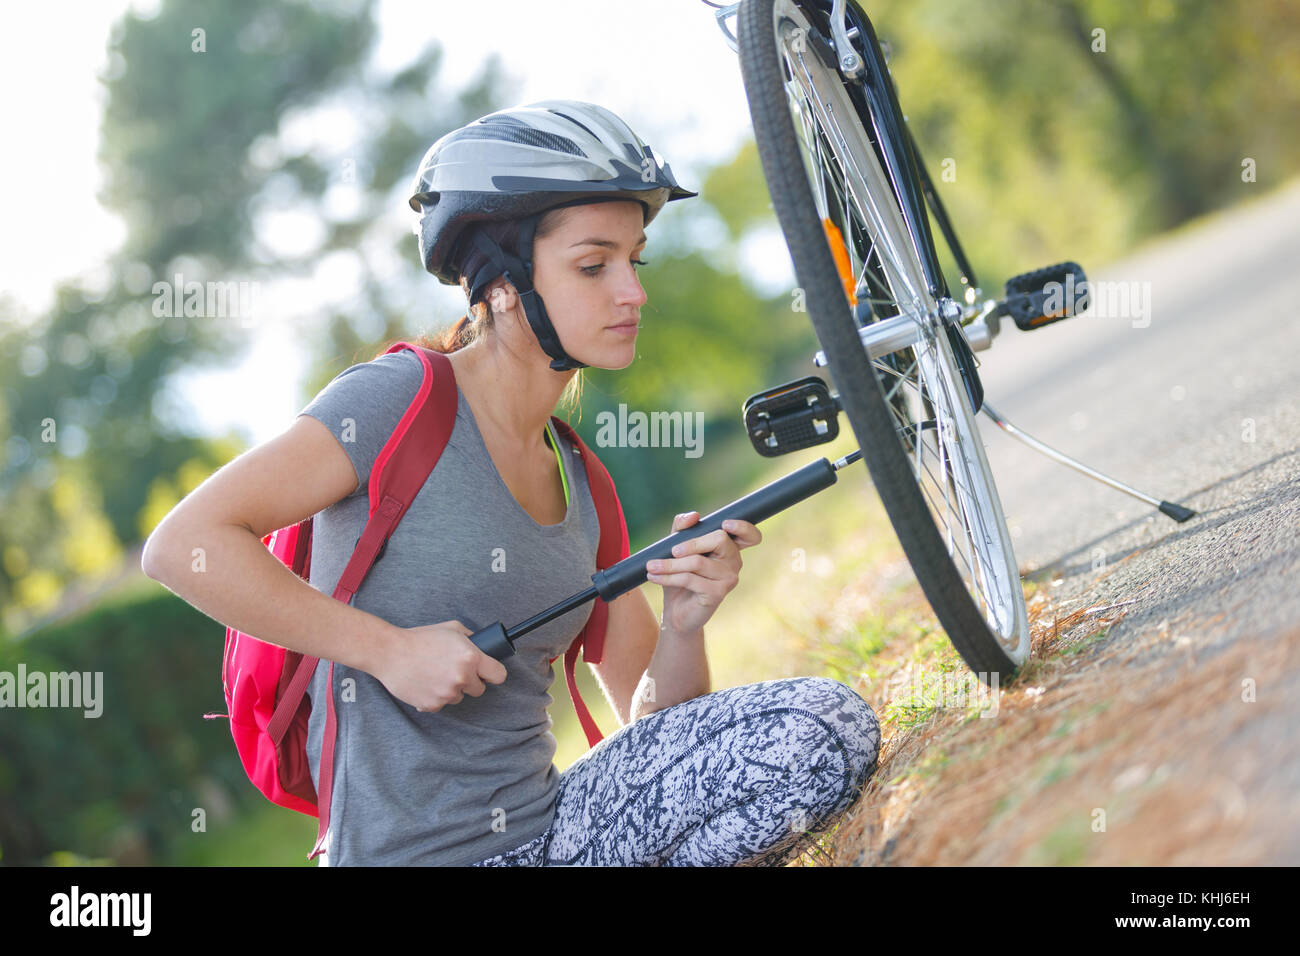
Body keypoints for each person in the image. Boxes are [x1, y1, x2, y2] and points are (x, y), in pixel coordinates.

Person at [151, 100, 881, 867]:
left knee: (821, 729)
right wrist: (386, 650)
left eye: (636, 261)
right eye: (594, 265)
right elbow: (181, 546)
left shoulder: (579, 476)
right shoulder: (398, 402)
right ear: (499, 286)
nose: (631, 292)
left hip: (553, 836)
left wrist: (684, 622)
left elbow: (661, 733)